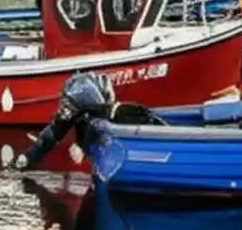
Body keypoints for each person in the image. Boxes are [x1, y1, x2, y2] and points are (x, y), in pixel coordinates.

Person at [10, 72, 163, 170]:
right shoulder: (80, 116)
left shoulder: (130, 114)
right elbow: (54, 131)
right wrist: (28, 157)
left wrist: (82, 147)